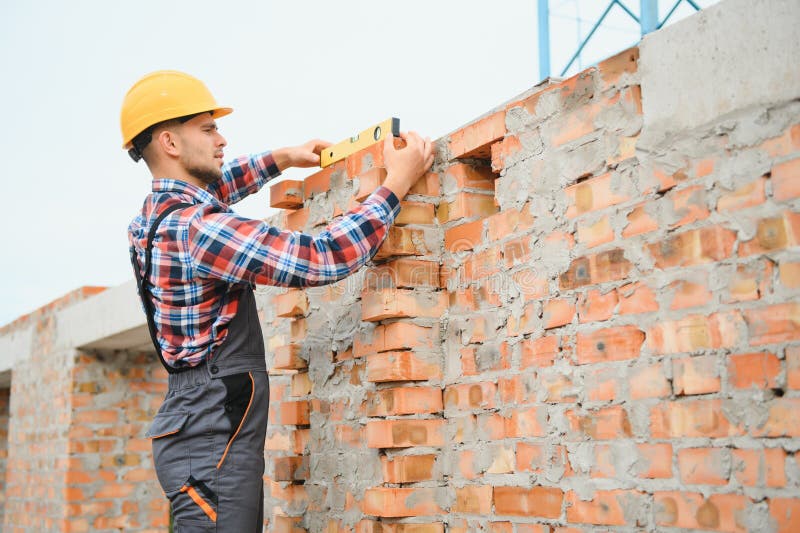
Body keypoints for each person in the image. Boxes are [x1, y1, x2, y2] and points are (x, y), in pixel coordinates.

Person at [123, 70, 433, 532]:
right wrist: (394, 188)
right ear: (170, 142)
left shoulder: (153, 217)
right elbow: (322, 257)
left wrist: (284, 158)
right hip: (210, 433)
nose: (221, 139)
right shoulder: (198, 230)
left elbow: (215, 186)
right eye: (208, 129)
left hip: (197, 425)